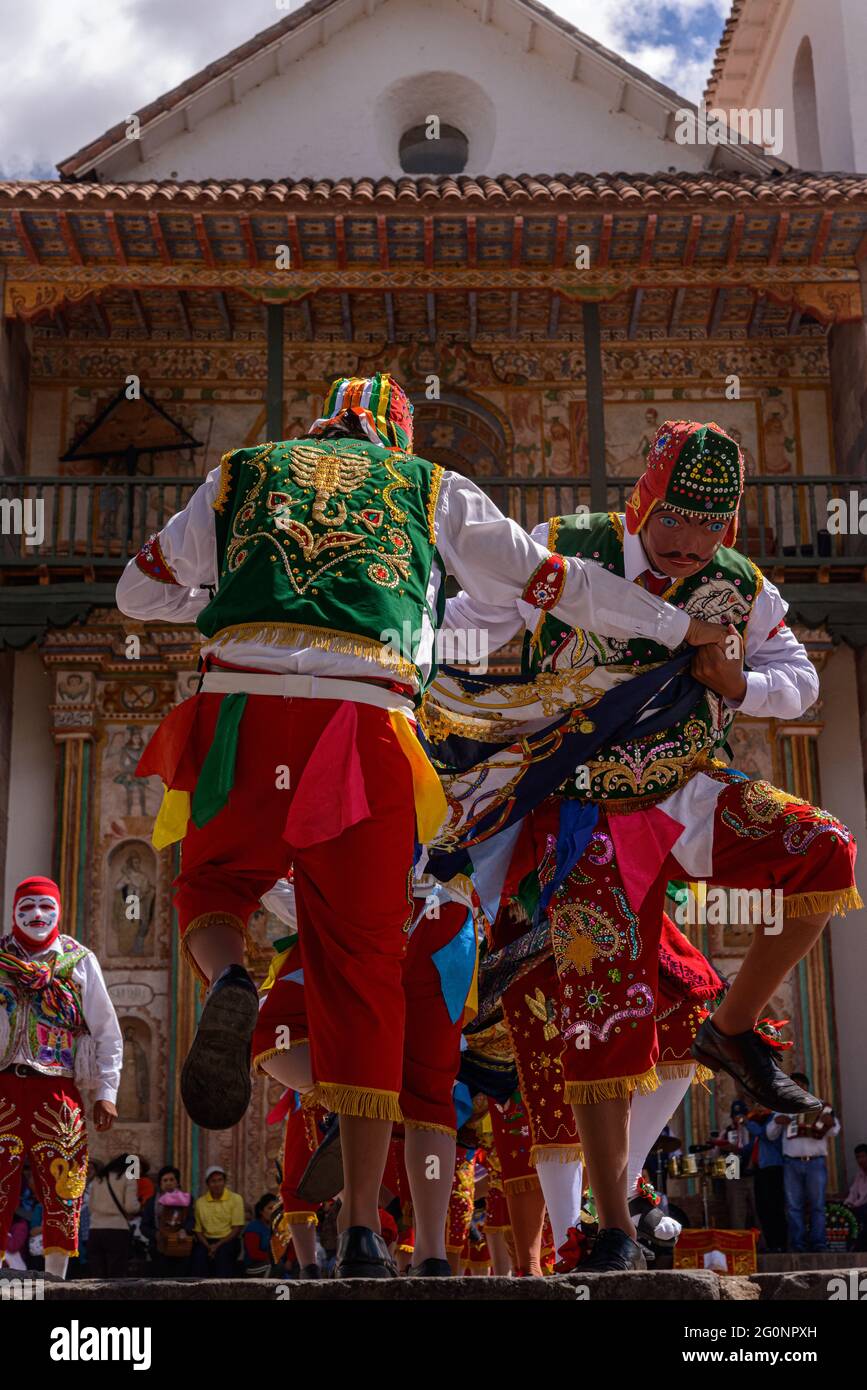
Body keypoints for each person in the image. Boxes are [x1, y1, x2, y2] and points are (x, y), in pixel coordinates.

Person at [116, 374, 724, 1277]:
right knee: (363, 982)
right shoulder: (430, 488)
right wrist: (676, 629)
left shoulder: (241, 472)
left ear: (320, 424)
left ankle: (225, 975)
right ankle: (366, 1228)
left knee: (212, 881)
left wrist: (223, 605)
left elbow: (136, 591)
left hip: (238, 702)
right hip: (362, 728)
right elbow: (554, 579)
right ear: (398, 438)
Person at [432, 418, 860, 1270]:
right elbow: (468, 621)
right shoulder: (567, 549)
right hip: (581, 812)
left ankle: (731, 1032)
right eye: (672, 519)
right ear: (643, 499)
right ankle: (613, 1227)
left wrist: (739, 681)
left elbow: (799, 678)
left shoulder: (740, 585)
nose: (686, 542)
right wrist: (471, 668)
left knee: (826, 850)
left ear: (729, 525)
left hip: (692, 788)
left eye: (708, 525)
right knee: (602, 1009)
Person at [0, 876, 123, 1280]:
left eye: (45, 906)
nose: (36, 915)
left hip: (56, 1087)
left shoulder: (78, 960)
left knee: (64, 1183)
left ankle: (55, 1280)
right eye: (27, 907)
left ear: (59, 910)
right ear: (14, 912)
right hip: (2, 1084)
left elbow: (106, 1029)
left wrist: (107, 1091)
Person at [767, 1072, 840, 1253]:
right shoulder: (783, 1106)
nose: (797, 1087)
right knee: (793, 1207)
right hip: (791, 1163)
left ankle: (819, 1243)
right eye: (793, 1084)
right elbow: (770, 1134)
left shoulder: (819, 1105)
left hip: (815, 1162)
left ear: (807, 1087)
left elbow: (835, 1130)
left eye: (800, 1084)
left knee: (817, 1205)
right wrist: (777, 1122)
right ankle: (798, 1244)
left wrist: (830, 1122)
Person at [86, 1154, 139, 1277]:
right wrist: (138, 1206)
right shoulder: (128, 1178)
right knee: (116, 1274)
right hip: (117, 1230)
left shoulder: (98, 1179)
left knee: (98, 1273)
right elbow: (130, 1207)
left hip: (95, 1230)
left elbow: (90, 1206)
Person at [745, 1106, 787, 1252]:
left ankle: (780, 1243)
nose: (759, 1108)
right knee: (762, 1208)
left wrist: (748, 1123)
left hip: (773, 1167)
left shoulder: (774, 1118)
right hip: (760, 1169)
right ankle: (771, 1243)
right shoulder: (759, 1121)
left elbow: (767, 1135)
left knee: (775, 1206)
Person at [192, 1166, 244, 1277]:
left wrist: (217, 1246)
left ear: (224, 1182)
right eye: (213, 1181)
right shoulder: (200, 1202)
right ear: (208, 1184)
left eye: (220, 1180)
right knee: (199, 1258)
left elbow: (237, 1228)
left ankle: (224, 1292)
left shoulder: (236, 1199)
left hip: (228, 1240)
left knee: (223, 1257)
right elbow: (198, 1230)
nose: (217, 1184)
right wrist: (209, 1247)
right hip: (206, 1242)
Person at [244, 1194, 277, 1276]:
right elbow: (253, 1254)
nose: (273, 1211)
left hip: (273, 1261)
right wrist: (274, 1258)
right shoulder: (254, 1227)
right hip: (254, 1265)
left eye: (276, 1208)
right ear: (261, 1211)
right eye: (270, 1208)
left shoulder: (278, 1226)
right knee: (276, 1266)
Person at [844, 1143, 867, 1250]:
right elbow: (852, 1193)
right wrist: (847, 1204)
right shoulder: (859, 1175)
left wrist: (854, 1205)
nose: (860, 1160)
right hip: (860, 1209)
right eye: (858, 1157)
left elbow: (864, 1198)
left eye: (863, 1156)